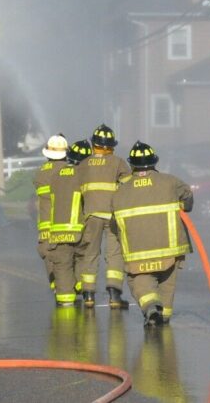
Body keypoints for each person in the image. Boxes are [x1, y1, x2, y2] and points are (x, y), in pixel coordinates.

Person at [111, 141, 193, 327]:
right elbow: (188, 199)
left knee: (141, 283)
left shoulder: (119, 192)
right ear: (154, 162)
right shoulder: (171, 182)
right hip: (170, 250)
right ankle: (164, 316)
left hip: (137, 253)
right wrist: (182, 205)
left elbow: (114, 225)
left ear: (132, 164)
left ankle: (151, 308)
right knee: (167, 284)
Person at [78, 123, 131, 309]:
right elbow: (129, 188)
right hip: (112, 215)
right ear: (111, 146)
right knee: (114, 254)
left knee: (90, 253)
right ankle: (114, 296)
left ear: (94, 145)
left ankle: (88, 296)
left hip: (91, 215)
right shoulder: (118, 162)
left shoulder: (83, 164)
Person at [46, 139, 91, 308]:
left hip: (57, 231)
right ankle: (81, 285)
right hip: (79, 229)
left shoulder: (56, 175)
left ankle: (65, 299)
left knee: (62, 265)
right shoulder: (83, 175)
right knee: (83, 258)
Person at [34, 135, 68, 293]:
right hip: (66, 218)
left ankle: (55, 284)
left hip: (46, 221)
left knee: (48, 251)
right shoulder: (70, 169)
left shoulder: (40, 172)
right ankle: (72, 282)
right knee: (68, 250)